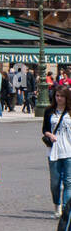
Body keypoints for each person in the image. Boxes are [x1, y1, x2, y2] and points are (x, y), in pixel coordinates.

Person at [43, 86, 71, 218]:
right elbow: (44, 129)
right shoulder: (49, 111)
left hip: (69, 151)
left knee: (68, 182)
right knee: (55, 182)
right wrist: (49, 135)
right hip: (53, 151)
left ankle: (65, 209)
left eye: (61, 96)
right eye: (57, 95)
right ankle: (57, 205)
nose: (59, 98)